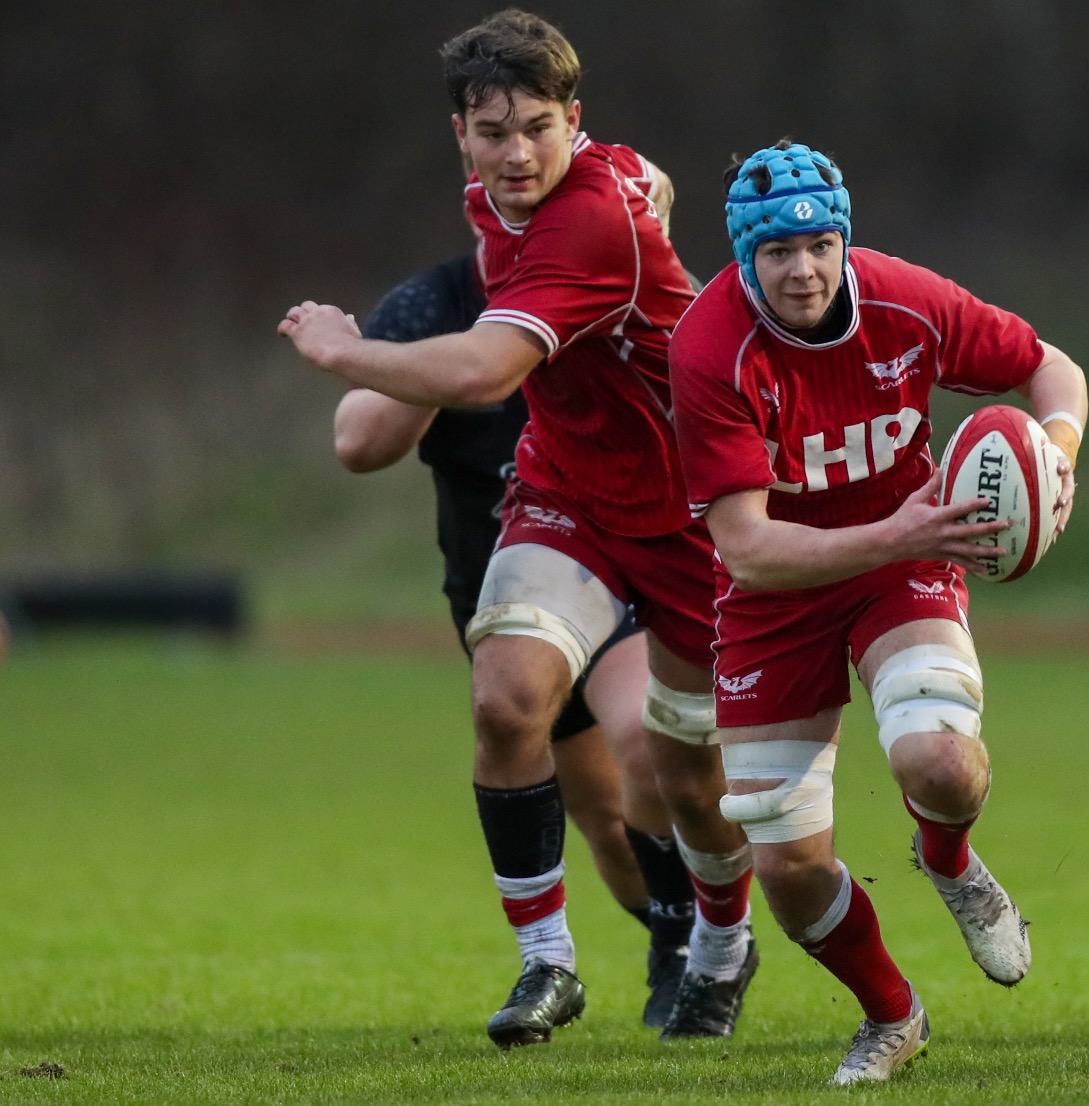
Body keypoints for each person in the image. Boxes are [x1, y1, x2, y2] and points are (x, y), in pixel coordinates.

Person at [280, 9, 757, 1047]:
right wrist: (653, 192)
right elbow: (648, 179)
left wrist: (341, 349)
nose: (516, 151)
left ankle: (722, 940)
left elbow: (486, 372)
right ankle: (548, 964)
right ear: (461, 132)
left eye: (538, 127)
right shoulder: (505, 196)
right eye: (493, 131)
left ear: (572, 122)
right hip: (567, 495)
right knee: (505, 703)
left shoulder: (584, 213)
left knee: (685, 775)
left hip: (683, 509)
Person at [669, 141, 1088, 1084]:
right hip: (776, 593)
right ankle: (892, 1015)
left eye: (820, 244)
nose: (803, 268)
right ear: (746, 257)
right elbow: (745, 546)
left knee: (938, 761)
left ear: (844, 241)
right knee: (785, 866)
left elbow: (1053, 369)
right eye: (778, 252)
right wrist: (899, 533)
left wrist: (1053, 454)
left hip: (908, 562)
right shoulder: (707, 347)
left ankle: (949, 861)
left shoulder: (906, 300)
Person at [331, 241, 697, 1032]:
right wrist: (455, 366)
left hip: (616, 559)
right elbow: (359, 443)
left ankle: (688, 950)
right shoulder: (439, 301)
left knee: (640, 737)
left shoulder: (632, 288)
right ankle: (667, 933)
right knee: (602, 816)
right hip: (501, 588)